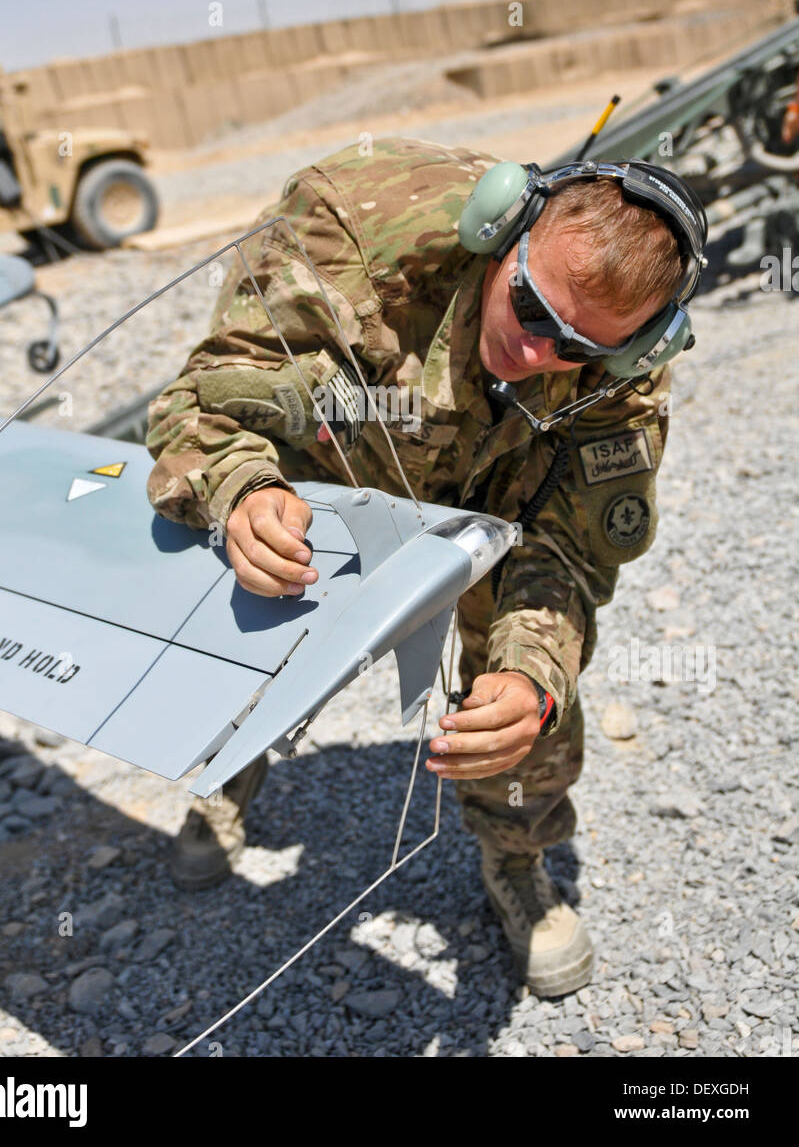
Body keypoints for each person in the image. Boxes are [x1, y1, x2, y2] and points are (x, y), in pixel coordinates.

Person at [145, 135, 700, 997]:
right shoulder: (348, 227)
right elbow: (207, 396)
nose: (537, 352)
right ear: (501, 228)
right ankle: (228, 763)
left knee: (522, 690)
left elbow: (567, 548)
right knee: (250, 569)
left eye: (576, 349)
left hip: (499, 495)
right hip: (337, 454)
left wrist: (530, 677)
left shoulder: (620, 374)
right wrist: (241, 487)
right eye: (529, 306)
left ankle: (515, 854)